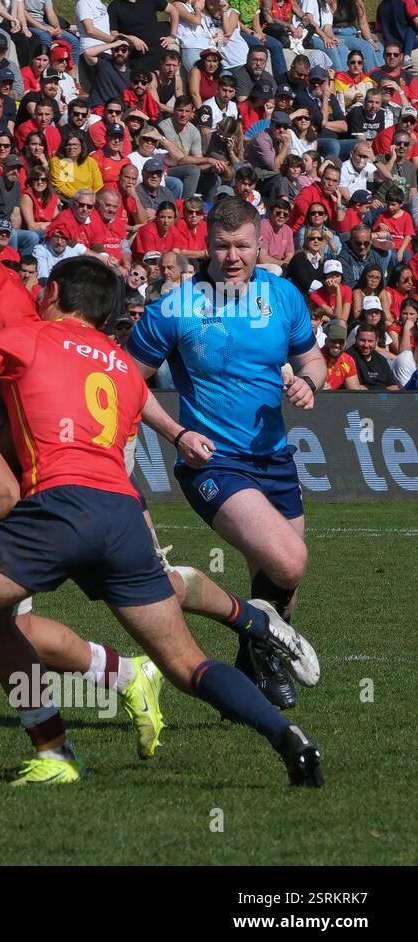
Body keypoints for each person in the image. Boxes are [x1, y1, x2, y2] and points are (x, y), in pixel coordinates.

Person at [0, 255, 325, 787]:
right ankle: (287, 736)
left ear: (51, 292)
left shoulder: (25, 335)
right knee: (186, 665)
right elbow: (132, 417)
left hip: (55, 507)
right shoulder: (122, 365)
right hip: (121, 512)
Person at [128, 198, 327, 709]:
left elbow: (313, 360)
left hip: (275, 457)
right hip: (212, 460)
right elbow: (126, 381)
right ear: (206, 245)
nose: (232, 256)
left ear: (261, 245)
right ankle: (259, 657)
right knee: (289, 560)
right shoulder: (174, 307)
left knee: (281, 580)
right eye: (222, 245)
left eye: (243, 245)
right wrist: (176, 433)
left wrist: (308, 382)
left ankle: (250, 667)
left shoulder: (283, 296)